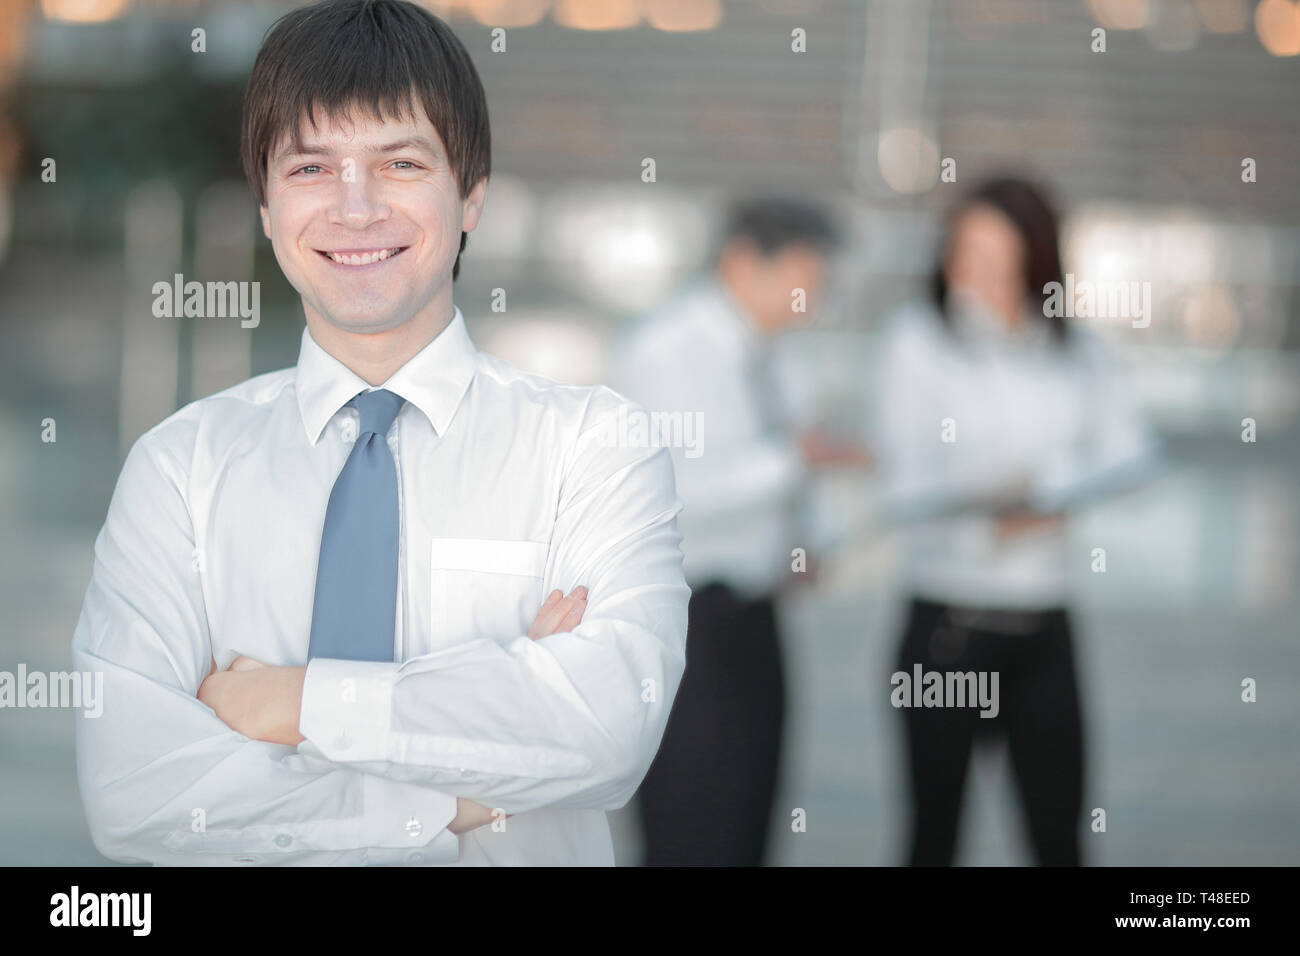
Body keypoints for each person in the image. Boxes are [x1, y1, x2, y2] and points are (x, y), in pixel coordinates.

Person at [70, 0, 689, 867]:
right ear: (264, 208)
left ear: (471, 194)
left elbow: (610, 726)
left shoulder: (592, 447)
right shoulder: (180, 467)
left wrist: (297, 704)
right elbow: (134, 796)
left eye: (399, 162)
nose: (355, 209)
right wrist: (472, 786)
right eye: (311, 168)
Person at [868, 176, 1161, 866]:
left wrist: (1050, 490)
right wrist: (989, 509)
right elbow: (901, 484)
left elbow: (1135, 456)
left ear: (1037, 259)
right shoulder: (918, 339)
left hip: (1043, 625)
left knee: (1058, 839)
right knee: (932, 837)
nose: (981, 276)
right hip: (947, 627)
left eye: (1000, 259)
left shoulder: (1073, 350)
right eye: (967, 254)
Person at [609, 197, 867, 866]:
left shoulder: (777, 354)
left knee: (751, 817)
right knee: (691, 821)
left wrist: (810, 541)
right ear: (744, 262)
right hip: (685, 623)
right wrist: (797, 461)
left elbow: (789, 471)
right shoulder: (668, 349)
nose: (818, 297)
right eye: (809, 278)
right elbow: (670, 494)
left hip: (754, 615)